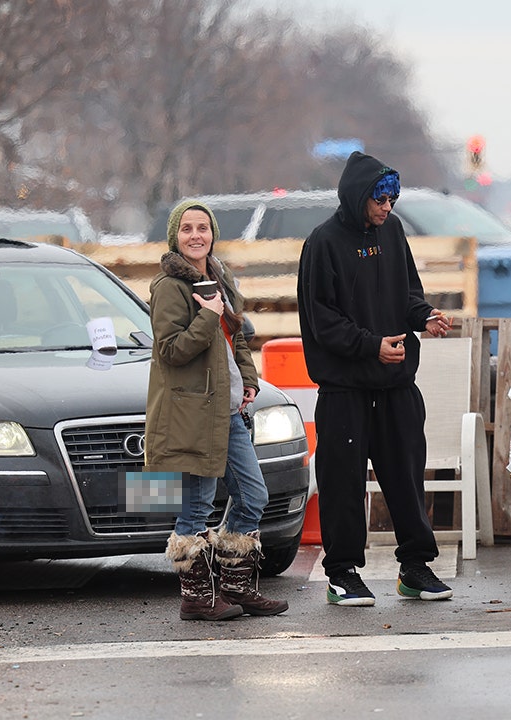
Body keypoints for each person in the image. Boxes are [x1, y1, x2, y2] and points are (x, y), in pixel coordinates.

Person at [297, 151, 454, 607]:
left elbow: (408, 292)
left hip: (396, 383)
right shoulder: (323, 242)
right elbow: (321, 320)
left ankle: (415, 567)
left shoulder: (393, 232)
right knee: (343, 482)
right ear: (359, 195)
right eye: (381, 198)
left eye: (393, 198)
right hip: (346, 387)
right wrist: (370, 345)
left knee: (406, 478)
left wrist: (424, 316)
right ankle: (342, 574)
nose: (388, 206)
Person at [145, 199, 288, 621]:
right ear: (176, 235)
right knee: (197, 505)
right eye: (187, 228)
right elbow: (171, 350)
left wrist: (248, 380)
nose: (196, 235)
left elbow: (236, 337)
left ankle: (236, 587)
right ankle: (196, 599)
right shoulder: (169, 287)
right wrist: (207, 315)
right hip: (193, 415)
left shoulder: (220, 278)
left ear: (213, 234)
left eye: (203, 228)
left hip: (227, 413)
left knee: (254, 495)